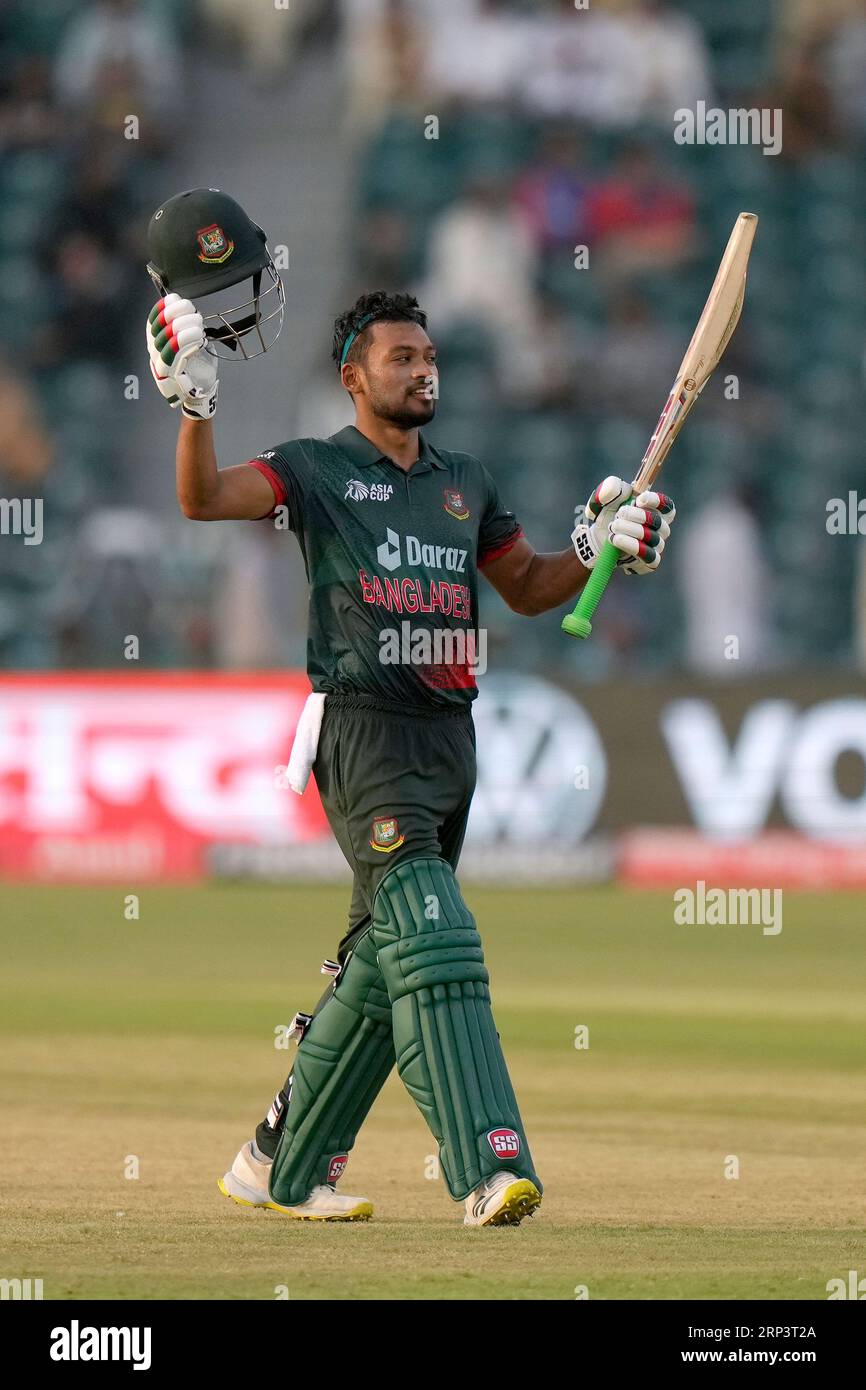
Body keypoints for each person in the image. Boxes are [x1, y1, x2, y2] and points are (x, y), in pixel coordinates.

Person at [148, 286, 677, 1225]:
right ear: (353, 378)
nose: (424, 368)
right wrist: (194, 404)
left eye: (429, 356)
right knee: (436, 939)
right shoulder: (314, 468)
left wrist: (600, 547)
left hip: (449, 742)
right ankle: (487, 1165)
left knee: (387, 966)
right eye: (401, 357)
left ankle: (278, 1161)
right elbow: (200, 498)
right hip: (362, 732)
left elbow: (525, 588)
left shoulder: (465, 480)